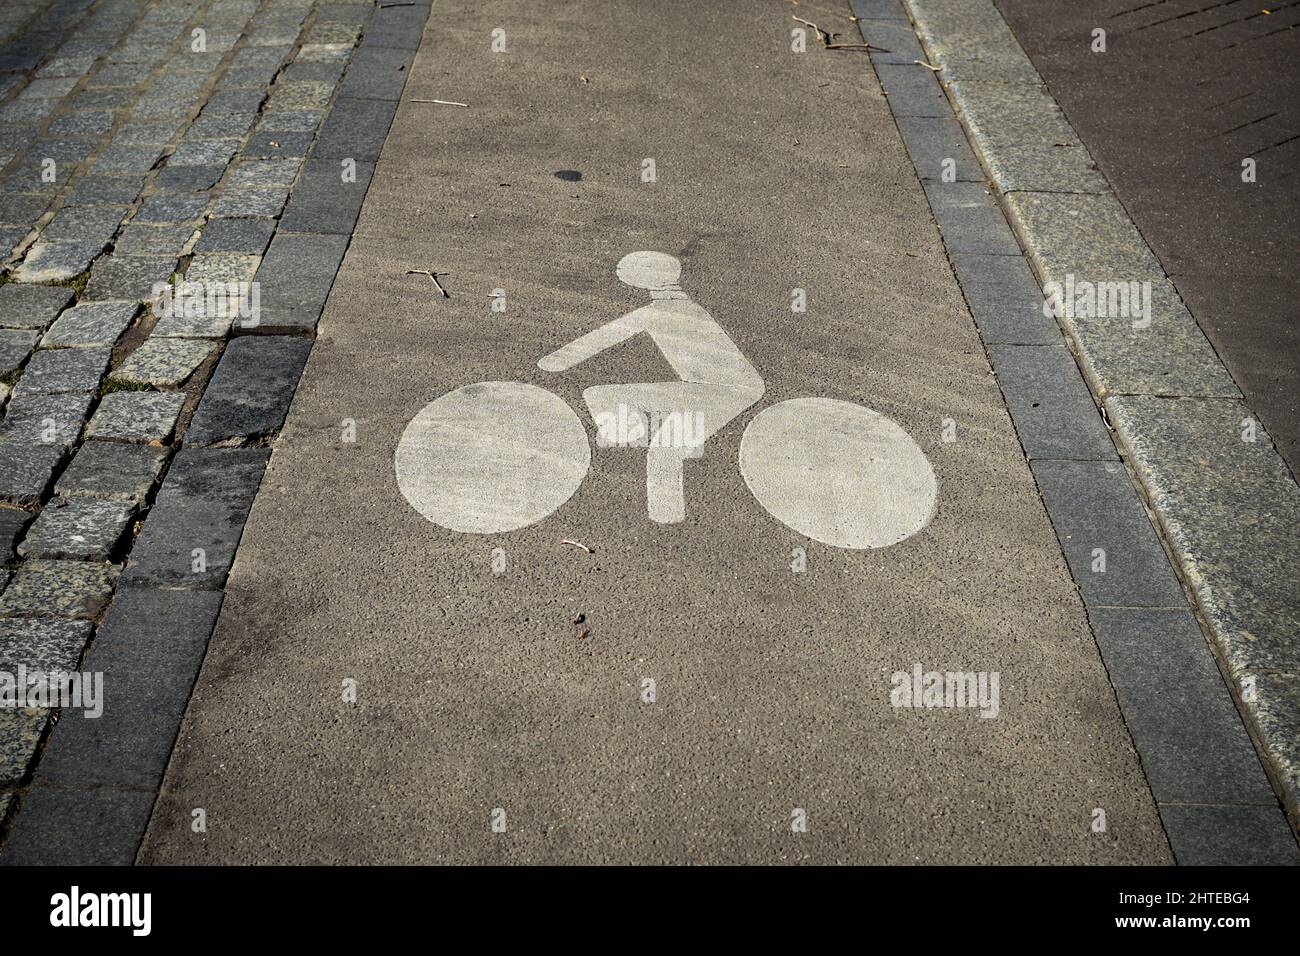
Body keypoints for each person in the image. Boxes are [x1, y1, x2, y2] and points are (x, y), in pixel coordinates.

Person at [538, 251, 765, 523]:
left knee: (660, 446)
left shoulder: (660, 310)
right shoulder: (684, 306)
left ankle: (665, 516)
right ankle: (665, 514)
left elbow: (604, 337)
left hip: (721, 389)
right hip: (710, 386)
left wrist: (556, 361)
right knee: (659, 446)